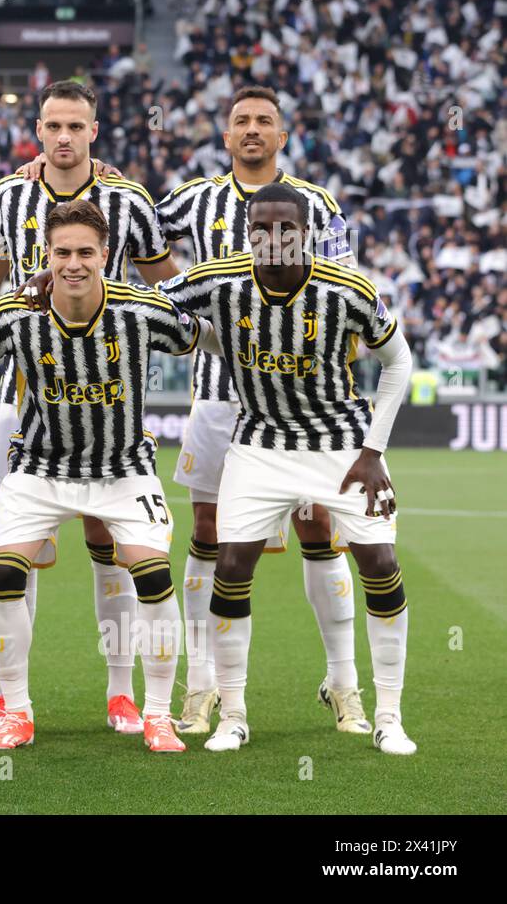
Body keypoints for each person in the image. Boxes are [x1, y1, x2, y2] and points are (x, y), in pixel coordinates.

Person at [0, 200, 203, 752]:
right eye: (63, 252)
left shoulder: (143, 311)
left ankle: (159, 713)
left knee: (152, 576)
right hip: (41, 466)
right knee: (4, 575)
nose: (74, 263)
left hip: (123, 468)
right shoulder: (17, 312)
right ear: (46, 255)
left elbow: (205, 337)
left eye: (85, 253)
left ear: (105, 255)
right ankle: (17, 712)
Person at [0, 80, 179, 736]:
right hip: (26, 400)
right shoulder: (9, 195)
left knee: (113, 548)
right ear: (37, 131)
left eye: (77, 125)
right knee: (17, 548)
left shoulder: (130, 201)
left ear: (94, 131)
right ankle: (7, 696)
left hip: (111, 402)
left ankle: (122, 690)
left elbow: (167, 286)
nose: (65, 137)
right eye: (53, 126)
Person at [159, 183, 417, 756]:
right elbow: (148, 301)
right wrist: (59, 283)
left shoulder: (346, 290)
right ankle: (233, 713)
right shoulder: (217, 279)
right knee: (231, 561)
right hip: (258, 444)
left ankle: (389, 716)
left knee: (380, 560)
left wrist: (373, 451)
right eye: (260, 230)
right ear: (247, 232)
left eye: (285, 230)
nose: (272, 241)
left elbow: (398, 361)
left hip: (342, 445)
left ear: (306, 233)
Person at [154, 86, 367, 736]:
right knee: (210, 533)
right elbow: (132, 233)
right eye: (241, 121)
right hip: (221, 395)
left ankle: (343, 683)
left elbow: (344, 301)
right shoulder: (193, 199)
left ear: (282, 134)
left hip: (302, 406)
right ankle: (203, 687)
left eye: (264, 121)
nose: (252, 130)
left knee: (317, 527)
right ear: (225, 135)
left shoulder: (318, 204)